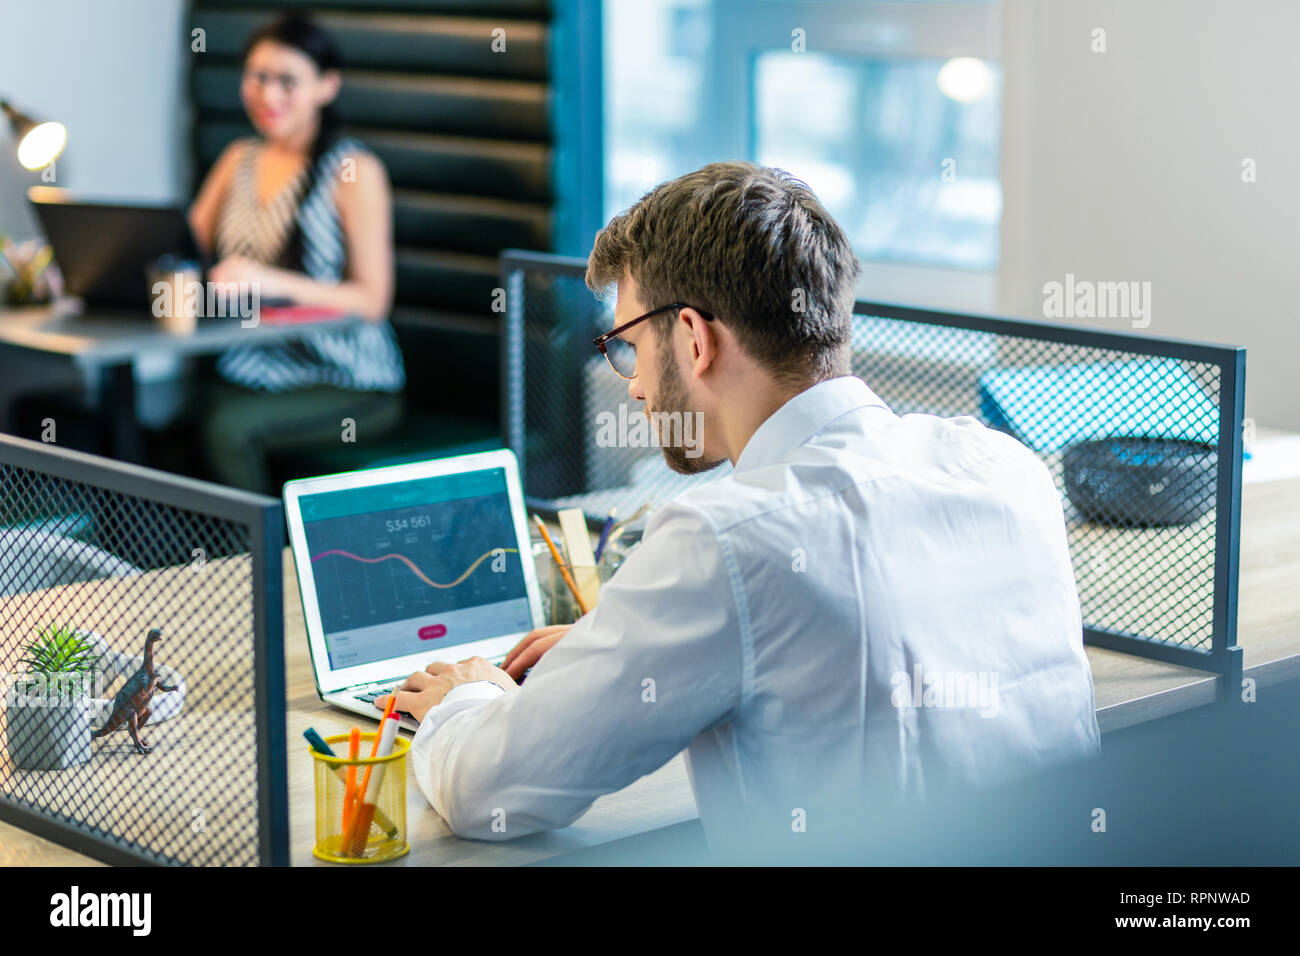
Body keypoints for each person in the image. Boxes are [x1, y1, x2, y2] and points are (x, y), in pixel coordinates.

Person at [378, 161, 1101, 856]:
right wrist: (625, 652)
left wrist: (467, 698)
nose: (630, 387)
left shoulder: (724, 539)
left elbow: (487, 795)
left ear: (693, 339)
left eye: (628, 348)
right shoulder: (1007, 467)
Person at [188, 14, 405, 493]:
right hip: (255, 370)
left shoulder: (352, 170)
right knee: (163, 415)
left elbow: (372, 301)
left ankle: (252, 564)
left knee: (226, 430)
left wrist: (269, 281)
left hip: (350, 380)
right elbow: (180, 251)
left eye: (288, 81)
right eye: (257, 77)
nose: (268, 95)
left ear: (327, 87)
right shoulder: (237, 160)